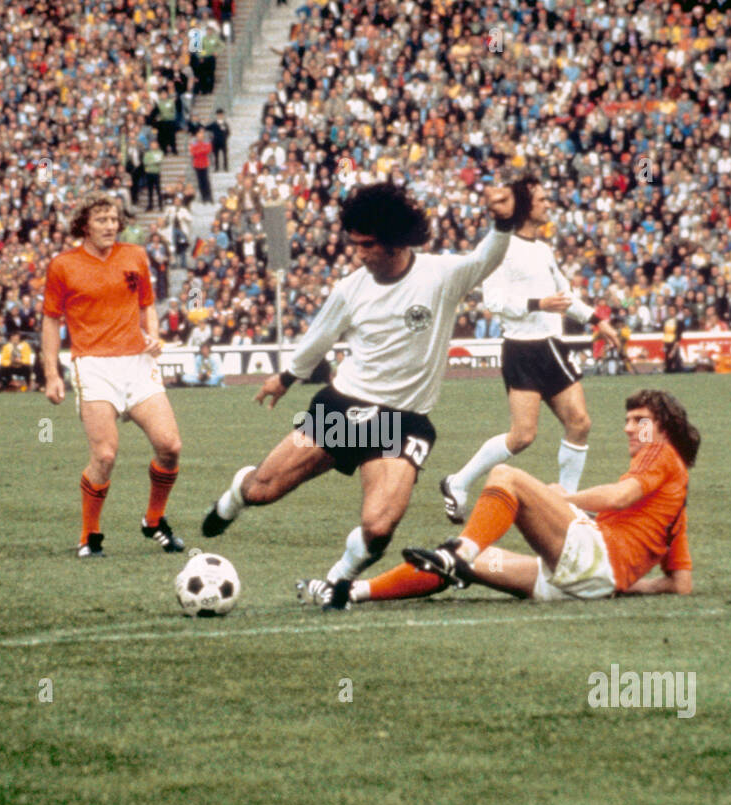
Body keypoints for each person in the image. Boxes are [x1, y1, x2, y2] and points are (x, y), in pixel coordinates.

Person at [201, 181, 517, 610]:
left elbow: (487, 257)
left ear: (395, 240)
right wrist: (285, 379)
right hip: (344, 407)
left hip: (403, 422)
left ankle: (337, 580)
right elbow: (317, 340)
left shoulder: (441, 276)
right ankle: (232, 499)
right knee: (262, 490)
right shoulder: (350, 289)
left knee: (379, 527)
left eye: (368, 245)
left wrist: (502, 220)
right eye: (355, 244)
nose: (360, 254)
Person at [298, 390, 697, 607]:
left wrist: (566, 497)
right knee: (468, 565)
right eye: (627, 421)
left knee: (507, 476)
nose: (629, 429)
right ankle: (350, 591)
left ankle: (462, 550)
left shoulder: (662, 455)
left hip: (595, 559)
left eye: (639, 421)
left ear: (664, 427)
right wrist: (625, 585)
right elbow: (680, 584)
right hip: (589, 580)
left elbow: (620, 495)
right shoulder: (674, 509)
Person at [440, 176, 623, 524]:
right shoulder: (502, 247)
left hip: (550, 346)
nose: (547, 203)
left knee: (580, 422)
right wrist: (539, 303)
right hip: (523, 350)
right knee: (523, 436)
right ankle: (457, 482)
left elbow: (565, 298)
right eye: (541, 199)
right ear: (525, 205)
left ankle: (566, 500)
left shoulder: (542, 249)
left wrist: (598, 322)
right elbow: (493, 301)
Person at [42, 192, 185, 558]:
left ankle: (154, 520)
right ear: (84, 225)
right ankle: (90, 535)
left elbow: (147, 303)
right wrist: (51, 373)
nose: (110, 226)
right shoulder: (63, 265)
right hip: (93, 366)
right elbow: (50, 320)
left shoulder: (134, 256)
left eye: (113, 219)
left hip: (137, 363)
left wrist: (153, 335)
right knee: (105, 456)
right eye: (101, 219)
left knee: (170, 446)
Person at [189, 128, 213, 204]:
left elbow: (207, 150)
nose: (200, 136)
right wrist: (201, 151)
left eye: (201, 135)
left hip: (205, 164)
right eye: (199, 135)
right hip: (197, 164)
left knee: (206, 181)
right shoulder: (193, 144)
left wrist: (199, 151)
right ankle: (203, 198)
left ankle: (209, 197)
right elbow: (193, 152)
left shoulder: (207, 143)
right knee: (200, 182)